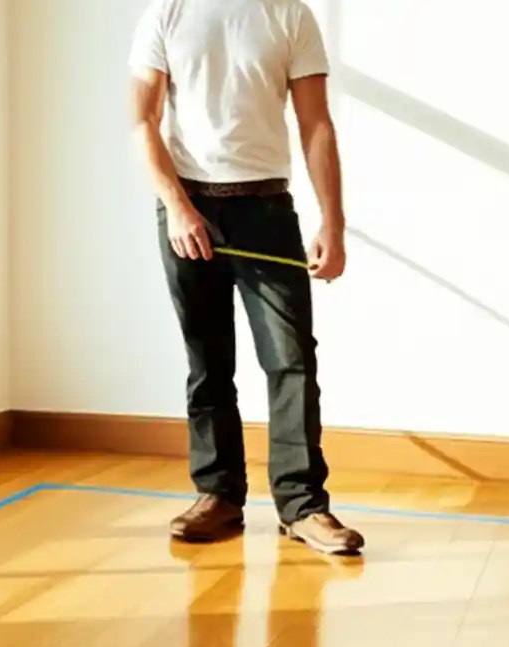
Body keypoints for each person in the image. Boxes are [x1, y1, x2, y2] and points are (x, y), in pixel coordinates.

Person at [128, 0, 364, 554]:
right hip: (189, 208)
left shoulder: (290, 15)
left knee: (291, 360)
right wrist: (179, 208)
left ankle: (303, 507)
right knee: (207, 360)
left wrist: (334, 221)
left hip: (265, 209)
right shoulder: (165, 14)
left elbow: (315, 122)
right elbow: (142, 119)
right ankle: (219, 496)